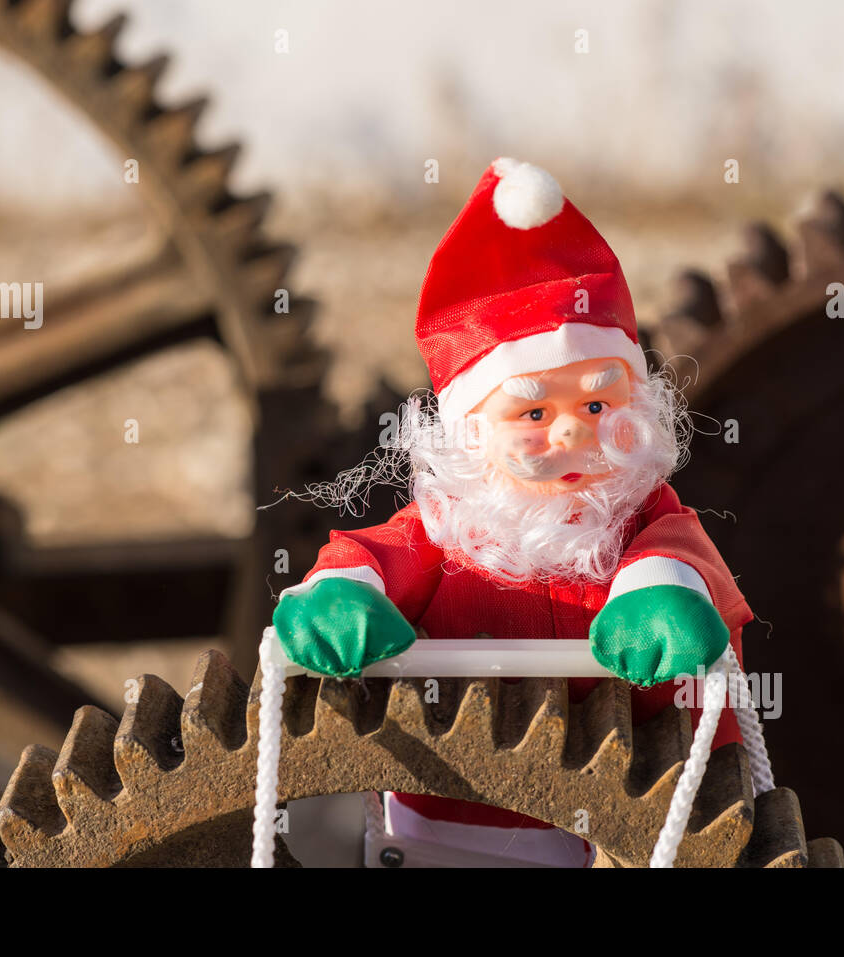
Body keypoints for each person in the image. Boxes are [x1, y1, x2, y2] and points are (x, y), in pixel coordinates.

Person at [272, 158, 753, 867]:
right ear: (470, 428)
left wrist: (660, 593)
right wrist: (344, 593)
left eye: (597, 403)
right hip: (436, 822)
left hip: (623, 823)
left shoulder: (644, 517)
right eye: (533, 410)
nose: (570, 434)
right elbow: (378, 552)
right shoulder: (451, 523)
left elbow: (675, 554)